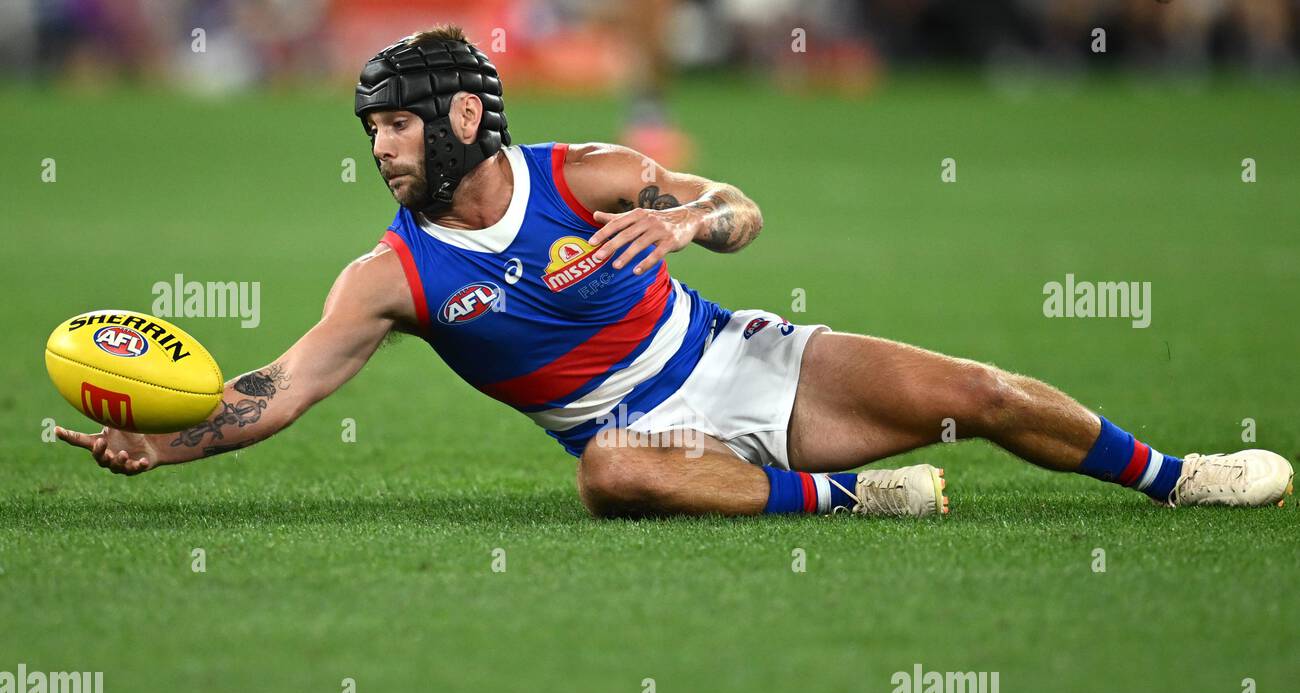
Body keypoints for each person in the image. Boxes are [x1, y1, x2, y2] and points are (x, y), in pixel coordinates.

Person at [57, 26, 1294, 518]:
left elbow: (741, 206)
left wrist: (692, 224)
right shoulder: (389, 276)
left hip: (740, 358)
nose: (379, 146)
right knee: (604, 473)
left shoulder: (583, 173)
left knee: (981, 388)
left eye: (397, 122)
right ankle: (861, 504)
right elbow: (277, 385)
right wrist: (167, 442)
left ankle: (1180, 475)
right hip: (642, 439)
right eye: (369, 128)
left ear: (469, 120)